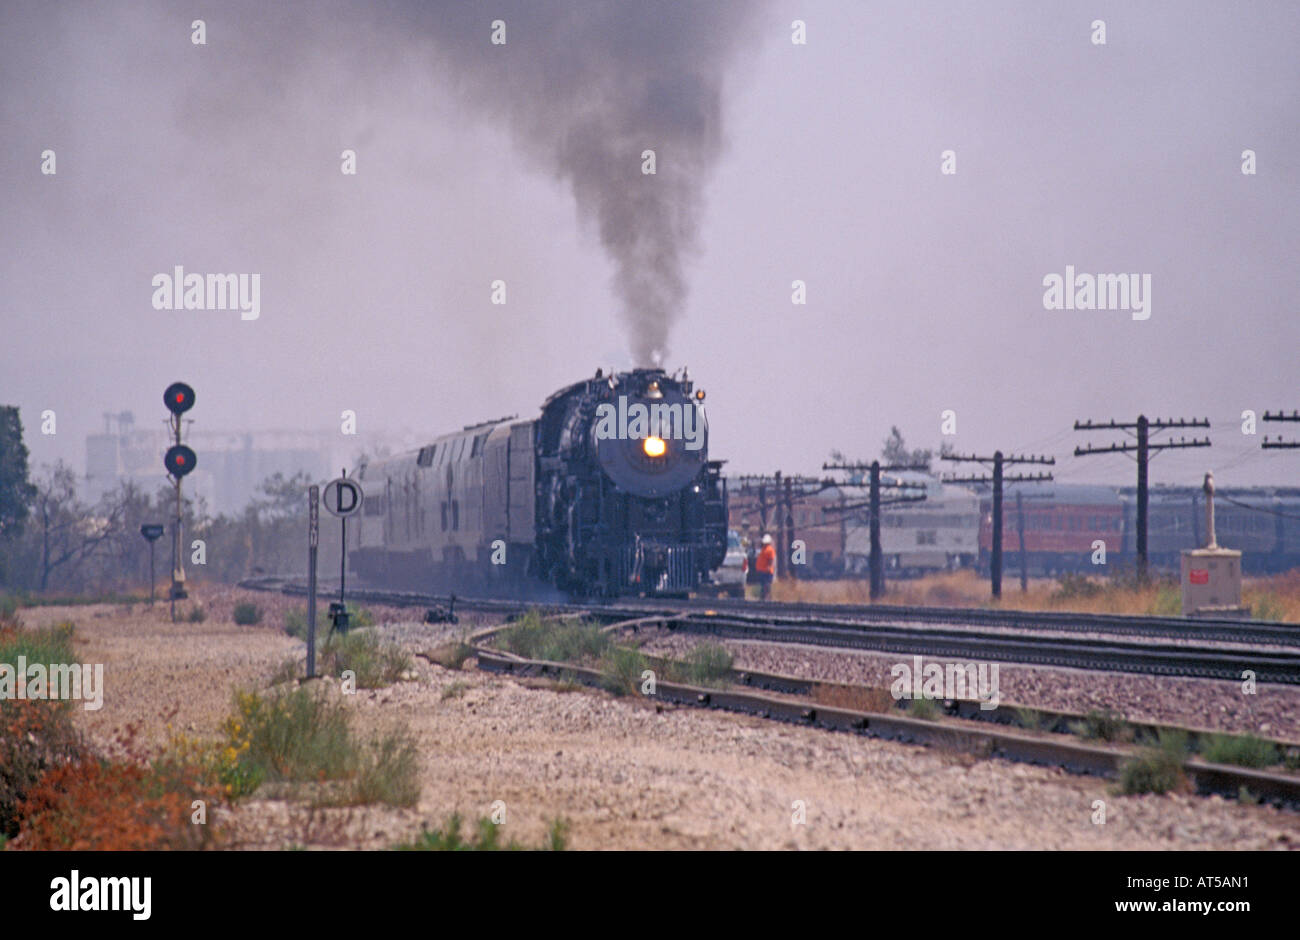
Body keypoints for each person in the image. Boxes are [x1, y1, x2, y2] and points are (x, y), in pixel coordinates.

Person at [755, 533, 776, 600]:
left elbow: (771, 560)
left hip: (767, 571)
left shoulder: (770, 550)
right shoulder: (764, 549)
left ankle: (767, 598)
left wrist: (768, 567)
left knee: (766, 585)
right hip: (762, 570)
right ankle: (763, 597)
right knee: (763, 585)